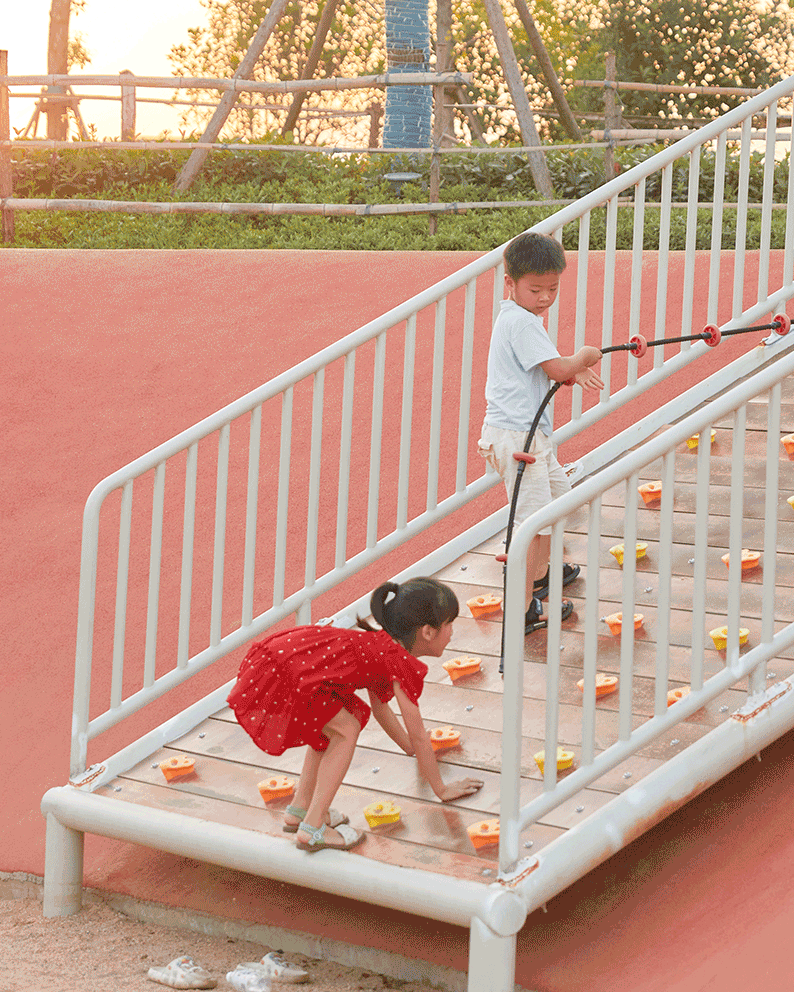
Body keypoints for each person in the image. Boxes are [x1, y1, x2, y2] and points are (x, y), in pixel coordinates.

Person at [226, 579, 483, 852]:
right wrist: (441, 789)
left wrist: (411, 749)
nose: (453, 633)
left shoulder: (384, 646)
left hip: (290, 658)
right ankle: (313, 829)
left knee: (334, 728)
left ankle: (301, 810)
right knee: (345, 729)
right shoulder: (400, 662)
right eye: (449, 625)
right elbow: (418, 733)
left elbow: (381, 709)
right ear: (428, 632)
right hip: (294, 668)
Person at [479, 232, 603, 635]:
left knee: (556, 506)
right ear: (510, 282)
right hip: (518, 440)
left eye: (552, 288)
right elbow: (557, 369)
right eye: (536, 289)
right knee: (532, 522)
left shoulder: (523, 319)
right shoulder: (520, 322)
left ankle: (541, 576)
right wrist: (582, 357)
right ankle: (523, 606)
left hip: (531, 438)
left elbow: (546, 369)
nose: (545, 297)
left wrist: (569, 370)